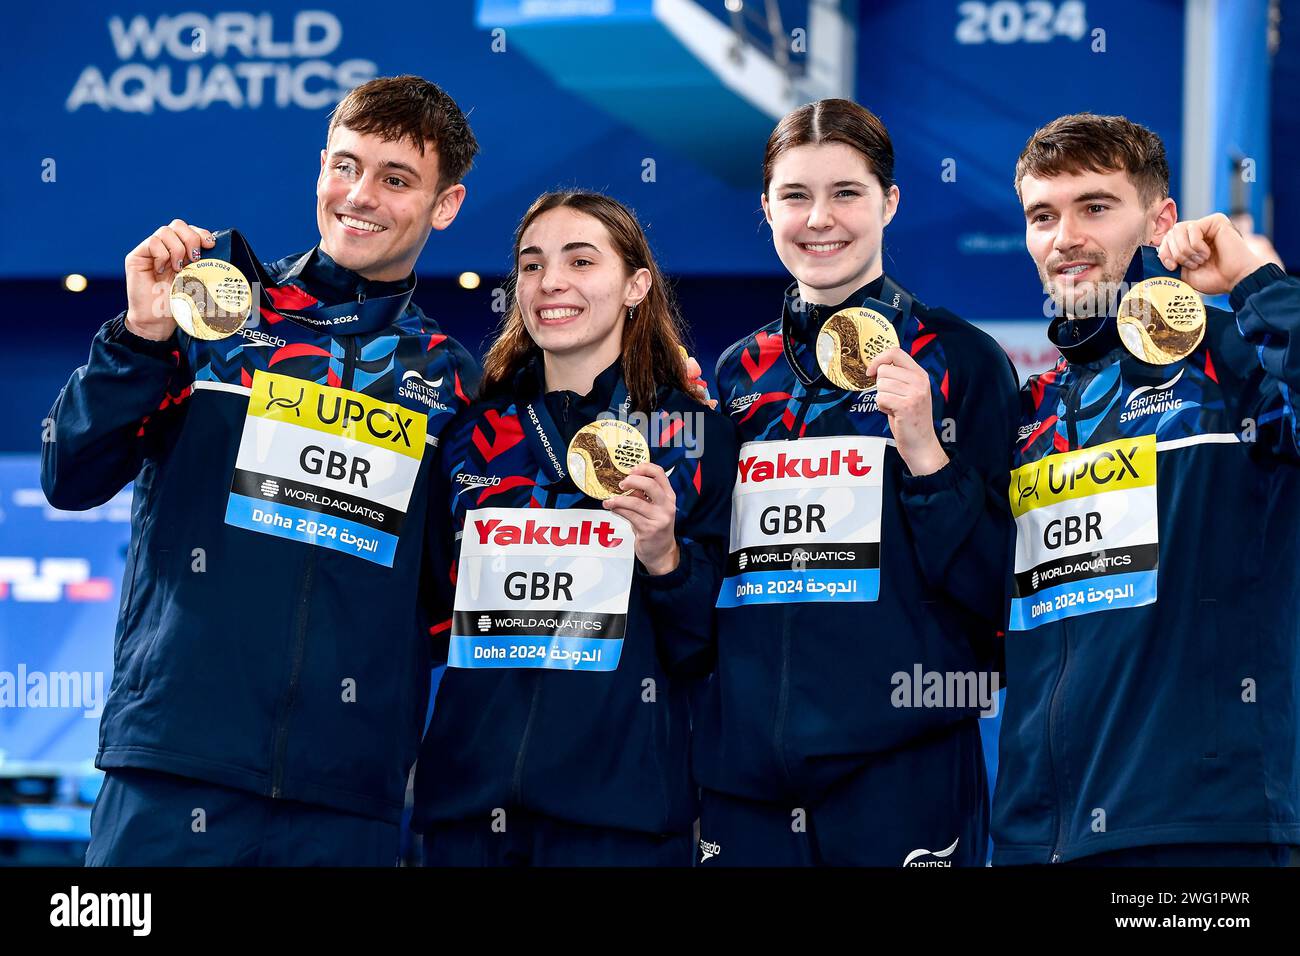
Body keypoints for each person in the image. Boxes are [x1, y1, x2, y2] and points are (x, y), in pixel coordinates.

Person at [41, 75, 481, 866]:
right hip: (173, 768)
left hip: (345, 799)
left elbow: (453, 603)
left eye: (396, 178)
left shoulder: (451, 380)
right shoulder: (217, 315)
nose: (361, 195)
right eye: (345, 166)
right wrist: (140, 336)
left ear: (445, 204)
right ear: (319, 166)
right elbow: (71, 476)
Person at [694, 98, 1020, 866]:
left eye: (846, 193)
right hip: (746, 781)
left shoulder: (960, 360)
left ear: (889, 202)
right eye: (796, 196)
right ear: (766, 208)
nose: (820, 219)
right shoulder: (739, 371)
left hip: (903, 767)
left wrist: (926, 459)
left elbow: (1001, 585)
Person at [994, 112, 1300, 866]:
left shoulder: (1228, 365)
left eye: (1095, 207)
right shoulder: (1031, 413)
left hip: (1206, 832)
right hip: (1038, 838)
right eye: (1043, 215)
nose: (1065, 236)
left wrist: (1257, 287)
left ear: (1160, 220)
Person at [411, 191, 737, 866]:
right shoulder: (473, 435)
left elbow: (715, 648)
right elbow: (429, 618)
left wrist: (665, 558)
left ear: (635, 285)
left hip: (624, 820)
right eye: (531, 266)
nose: (550, 282)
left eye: (580, 260)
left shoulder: (693, 433)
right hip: (470, 814)